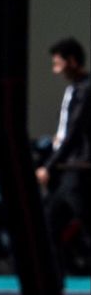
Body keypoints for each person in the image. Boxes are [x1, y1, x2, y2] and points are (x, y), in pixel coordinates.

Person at [36, 37, 91, 273]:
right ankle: (54, 276)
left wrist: (49, 165)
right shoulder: (74, 89)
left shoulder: (85, 89)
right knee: (53, 219)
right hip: (69, 166)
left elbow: (75, 131)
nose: (56, 70)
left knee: (64, 218)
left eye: (59, 64)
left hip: (77, 167)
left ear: (72, 61)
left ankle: (53, 276)